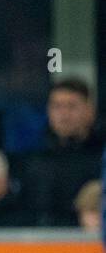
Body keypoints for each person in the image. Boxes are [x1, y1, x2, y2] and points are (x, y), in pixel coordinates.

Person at [23, 78, 102, 227]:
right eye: (56, 106)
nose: (63, 114)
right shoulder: (35, 159)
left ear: (90, 110)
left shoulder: (101, 158)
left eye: (71, 106)